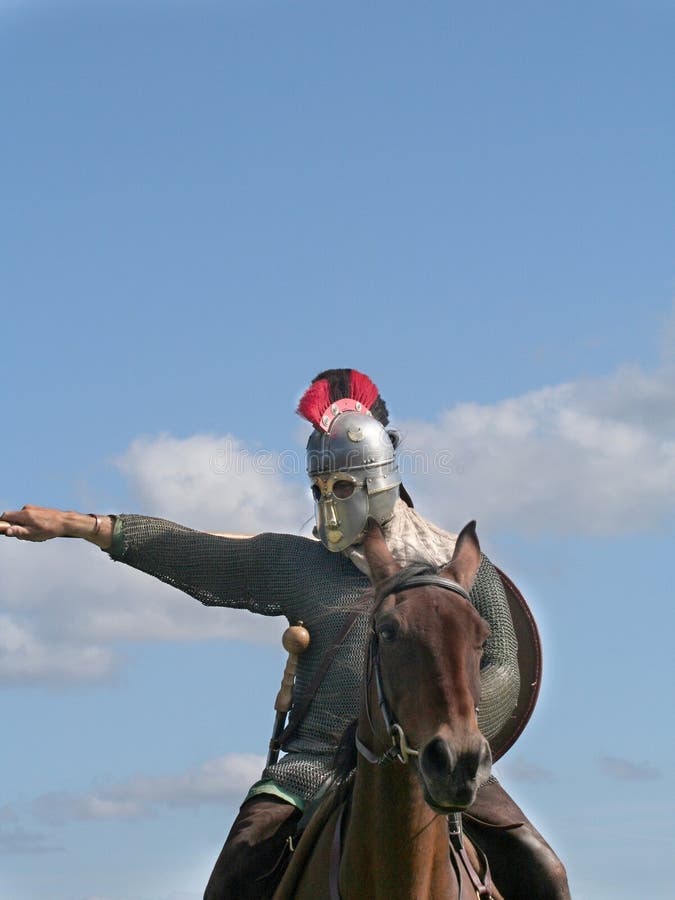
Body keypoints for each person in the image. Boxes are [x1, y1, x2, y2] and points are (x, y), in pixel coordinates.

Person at [0, 368, 570, 899]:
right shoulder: (303, 566)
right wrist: (80, 526)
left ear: (376, 480)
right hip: (314, 764)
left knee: (545, 872)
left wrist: (451, 733)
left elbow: (504, 665)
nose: (327, 502)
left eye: (341, 487)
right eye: (320, 488)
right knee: (233, 875)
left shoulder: (456, 569)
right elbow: (199, 555)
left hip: (435, 753)